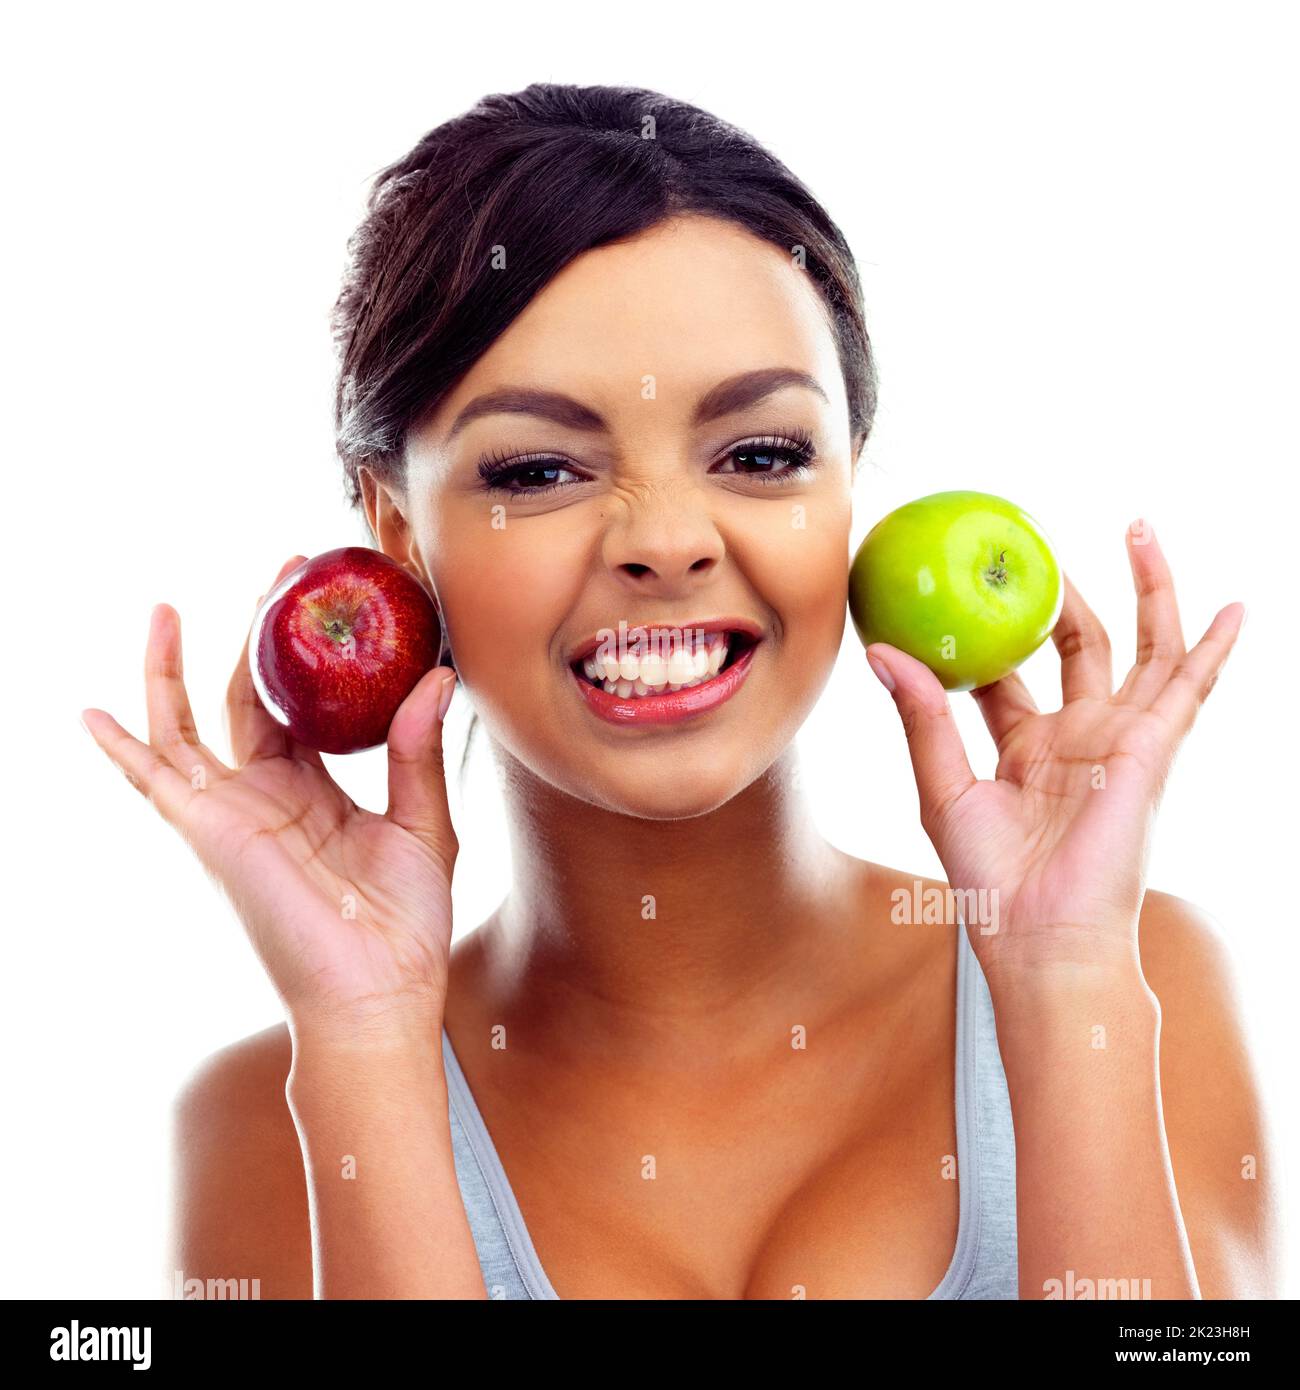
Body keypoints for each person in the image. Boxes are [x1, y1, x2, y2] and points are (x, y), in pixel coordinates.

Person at [81, 82, 1278, 1300]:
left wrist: (1064, 973)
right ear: (394, 530)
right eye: (540, 468)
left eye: (761, 454)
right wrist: (362, 1039)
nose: (666, 540)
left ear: (847, 489)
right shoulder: (257, 1127)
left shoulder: (1140, 977)